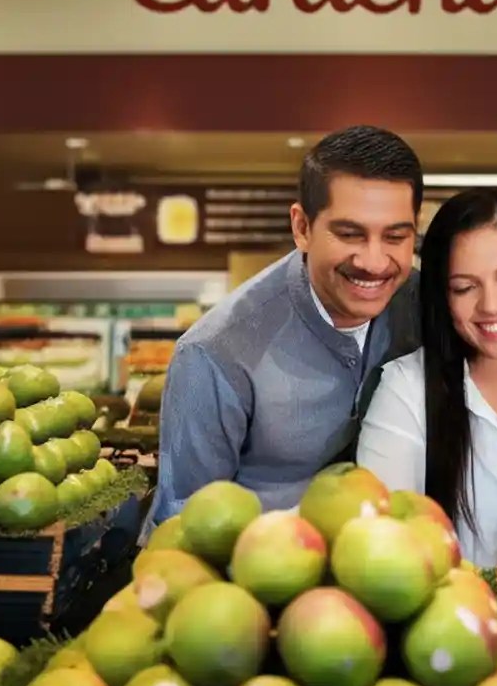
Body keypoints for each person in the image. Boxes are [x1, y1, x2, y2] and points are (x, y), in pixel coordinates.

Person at [146, 125, 423, 528]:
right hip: (263, 577)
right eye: (350, 234)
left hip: (398, 567)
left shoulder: (426, 307)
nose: (374, 261)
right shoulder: (214, 353)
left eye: (395, 237)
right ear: (302, 228)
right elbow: (183, 526)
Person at [356, 187, 497, 567]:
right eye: (464, 288)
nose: (491, 304)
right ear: (442, 297)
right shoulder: (408, 391)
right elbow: (381, 548)